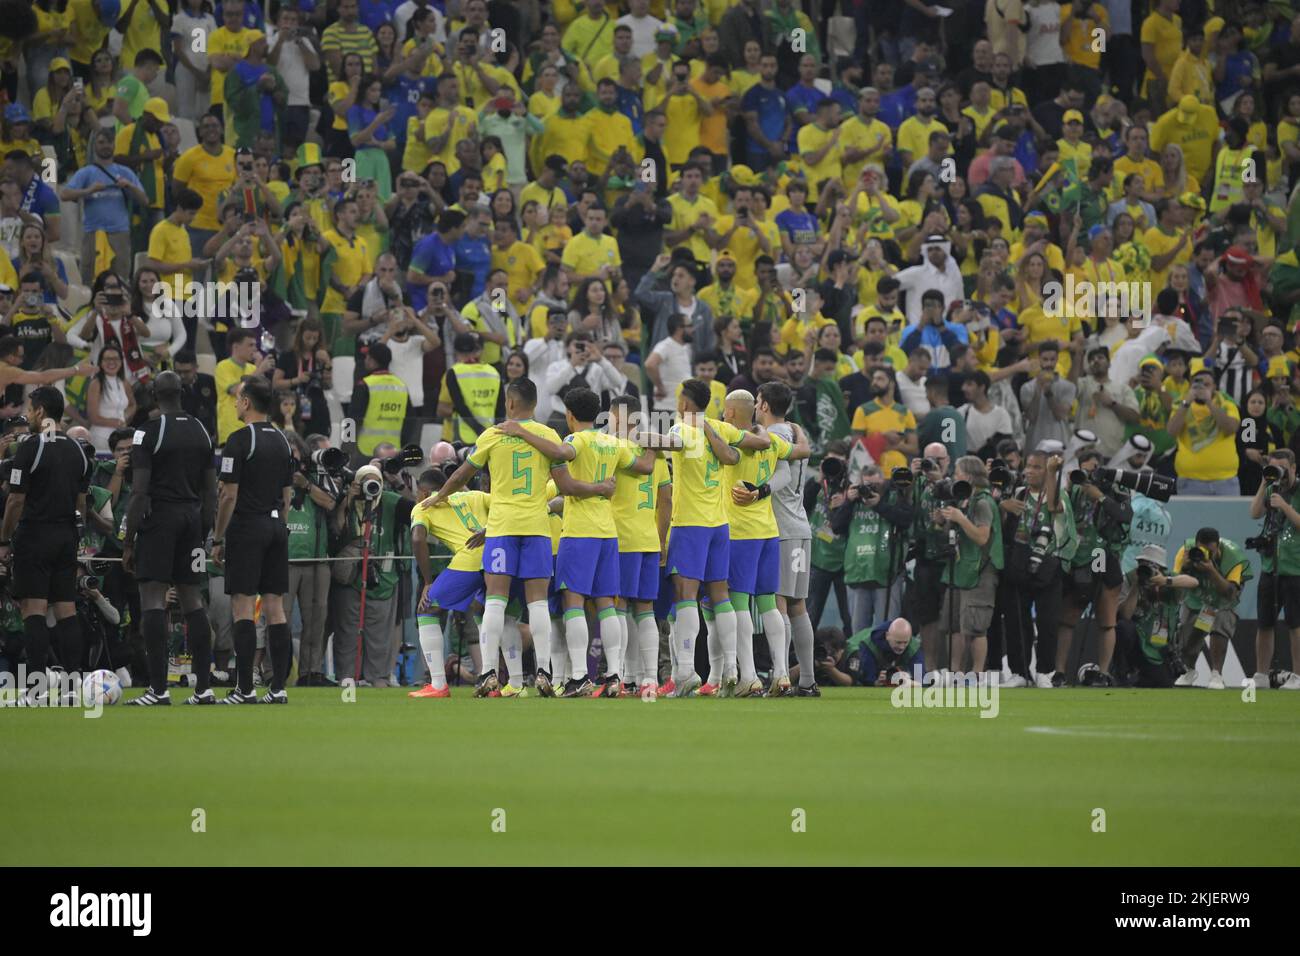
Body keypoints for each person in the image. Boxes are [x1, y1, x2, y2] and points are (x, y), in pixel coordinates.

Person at [421, 378, 564, 698]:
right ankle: (543, 670)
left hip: (501, 529)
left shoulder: (492, 435)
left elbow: (461, 475)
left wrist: (439, 496)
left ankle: (488, 673)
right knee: (537, 602)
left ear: (510, 403)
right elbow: (562, 478)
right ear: (535, 404)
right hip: (537, 528)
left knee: (496, 601)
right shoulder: (549, 435)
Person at [643, 378, 771, 697]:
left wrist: (636, 436)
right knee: (720, 596)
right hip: (720, 526)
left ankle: (685, 671)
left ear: (686, 404)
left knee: (685, 595)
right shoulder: (718, 428)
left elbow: (668, 444)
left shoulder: (681, 429)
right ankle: (730, 669)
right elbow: (760, 442)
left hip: (690, 524)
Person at [121, 372, 217, 705]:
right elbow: (211, 492)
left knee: (152, 599)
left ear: (154, 396)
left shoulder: (147, 433)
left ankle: (159, 690)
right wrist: (203, 533)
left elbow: (139, 491)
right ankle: (203, 689)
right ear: (182, 393)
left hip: (159, 519)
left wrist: (128, 539)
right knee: (193, 601)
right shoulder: (203, 431)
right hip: (192, 519)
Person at [546, 387, 648, 697]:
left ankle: (579, 676)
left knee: (573, 601)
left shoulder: (573, 441)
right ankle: (615, 674)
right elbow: (645, 467)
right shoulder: (613, 443)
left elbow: (565, 485)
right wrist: (655, 442)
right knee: (607, 604)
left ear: (570, 415)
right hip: (608, 532)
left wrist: (598, 486)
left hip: (579, 531)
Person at [0, 387, 94, 705]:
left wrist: (3, 539)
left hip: (35, 534)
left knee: (33, 609)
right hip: (67, 535)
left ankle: (36, 691)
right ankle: (71, 688)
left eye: (30, 407)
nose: (28, 412)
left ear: (40, 411)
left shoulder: (31, 447)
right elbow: (82, 503)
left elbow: (15, 500)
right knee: (66, 609)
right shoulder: (77, 450)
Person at [712, 386, 809, 697]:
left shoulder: (728, 433)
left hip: (740, 532)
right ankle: (781, 674)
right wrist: (798, 431)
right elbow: (796, 459)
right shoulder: (771, 440)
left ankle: (750, 676)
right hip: (769, 530)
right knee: (769, 603)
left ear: (728, 412)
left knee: (739, 602)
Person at [211, 375, 295, 704]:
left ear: (246, 402)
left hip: (248, 527)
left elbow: (229, 496)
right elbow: (287, 497)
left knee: (243, 607)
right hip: (276, 526)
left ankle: (244, 688)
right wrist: (278, 527)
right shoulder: (283, 440)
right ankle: (278, 688)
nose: (234, 403)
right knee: (275, 609)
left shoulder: (239, 440)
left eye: (237, 398)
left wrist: (218, 538)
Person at [408, 467, 491, 699]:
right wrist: (489, 530)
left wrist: (427, 581)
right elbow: (508, 508)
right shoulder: (473, 495)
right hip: (498, 556)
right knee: (485, 611)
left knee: (427, 609)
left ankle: (437, 684)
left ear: (424, 492)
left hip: (470, 557)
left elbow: (417, 538)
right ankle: (491, 681)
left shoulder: (423, 506)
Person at [608, 394, 670, 697]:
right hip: (648, 537)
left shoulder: (616, 447)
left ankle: (617, 677)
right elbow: (666, 500)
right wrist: (661, 538)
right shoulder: (655, 452)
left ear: (619, 418)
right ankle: (647, 679)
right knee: (645, 609)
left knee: (618, 606)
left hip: (622, 538)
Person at [1004, 449, 1078, 687]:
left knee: (1047, 621)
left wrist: (1054, 473)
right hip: (1020, 563)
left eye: (1037, 467)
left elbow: (1055, 507)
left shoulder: (1059, 495)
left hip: (1049, 564)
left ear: (1047, 470)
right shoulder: (1018, 493)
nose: (1029, 471)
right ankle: (1019, 672)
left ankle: (1045, 671)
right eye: (1028, 466)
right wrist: (1003, 505)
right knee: (1017, 619)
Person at [936, 456, 1002, 680]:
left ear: (969, 476)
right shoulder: (961, 500)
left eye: (958, 472)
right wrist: (941, 521)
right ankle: (954, 672)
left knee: (975, 627)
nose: (954, 476)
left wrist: (961, 519)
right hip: (959, 567)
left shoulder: (983, 502)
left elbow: (982, 538)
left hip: (980, 570)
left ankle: (977, 674)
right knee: (953, 624)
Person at [1170, 527, 1251, 690]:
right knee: (1188, 633)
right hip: (1197, 596)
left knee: (1220, 622)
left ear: (1218, 546)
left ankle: (1216, 674)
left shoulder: (1233, 556)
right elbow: (1174, 585)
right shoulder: (1185, 551)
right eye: (1202, 550)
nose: (1206, 554)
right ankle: (1188, 670)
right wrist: (1186, 567)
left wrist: (1211, 570)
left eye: (1210, 551)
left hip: (1222, 599)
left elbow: (1229, 593)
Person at [1247, 450, 1300, 691]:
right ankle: (1260, 674)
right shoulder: (1271, 488)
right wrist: (1263, 482)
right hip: (1270, 567)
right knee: (1265, 624)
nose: (1279, 471)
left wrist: (1285, 507)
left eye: (1282, 467)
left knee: (1295, 625)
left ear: (1293, 468)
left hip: (1295, 568)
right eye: (1274, 467)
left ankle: (1298, 676)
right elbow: (1255, 513)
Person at [1167, 362, 1240, 495]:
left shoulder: (1227, 404)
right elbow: (1172, 431)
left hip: (1225, 481)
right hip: (1190, 481)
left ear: (1215, 387)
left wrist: (1209, 402)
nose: (1202, 388)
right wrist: (1186, 402)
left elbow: (1230, 428)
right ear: (1190, 387)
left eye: (1207, 385)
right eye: (1197, 384)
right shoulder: (1180, 405)